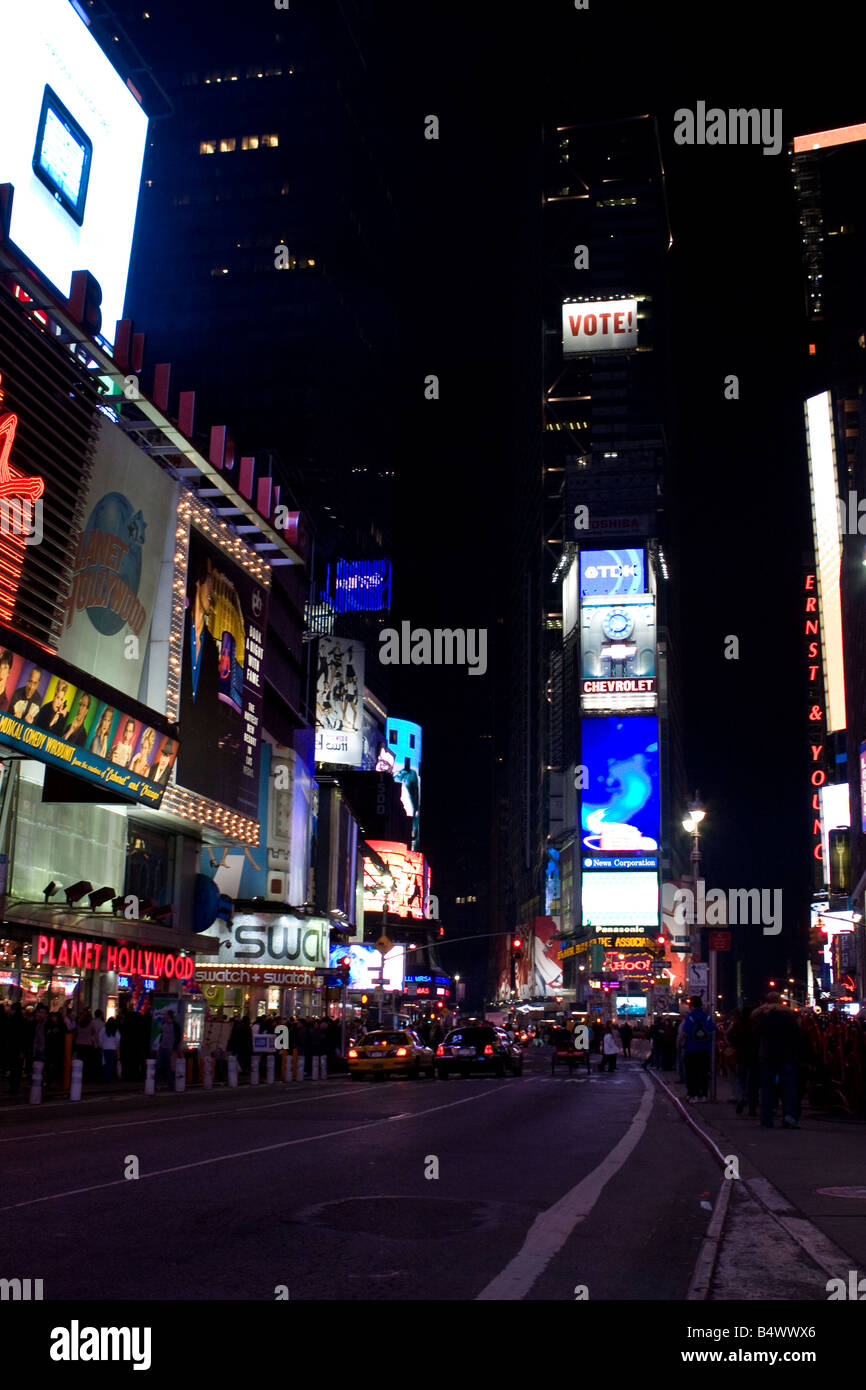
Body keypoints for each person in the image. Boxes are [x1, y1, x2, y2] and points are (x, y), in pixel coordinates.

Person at [177, 552, 224, 802]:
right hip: (172, 752)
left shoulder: (212, 649)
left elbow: (211, 714)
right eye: (210, 583)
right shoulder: (176, 628)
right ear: (197, 581)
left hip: (197, 769)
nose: (212, 592)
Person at [751, 991, 802, 1128]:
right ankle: (789, 1117)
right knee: (789, 1089)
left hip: (767, 1056)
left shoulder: (762, 1017)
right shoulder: (789, 1016)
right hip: (787, 1056)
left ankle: (767, 1119)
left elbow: (755, 1034)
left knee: (767, 1089)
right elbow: (797, 1036)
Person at [681, 996, 716, 1102]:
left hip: (691, 1049)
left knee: (691, 1072)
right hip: (705, 1049)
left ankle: (693, 1094)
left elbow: (684, 1032)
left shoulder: (690, 1016)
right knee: (703, 1072)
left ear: (691, 1005)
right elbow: (712, 1030)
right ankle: (703, 1094)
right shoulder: (707, 1016)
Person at [155, 1009, 180, 1088]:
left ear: (169, 1016)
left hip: (170, 1048)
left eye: (165, 1014)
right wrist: (160, 1043)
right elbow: (162, 1034)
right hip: (162, 1047)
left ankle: (171, 1083)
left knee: (170, 1066)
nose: (164, 1016)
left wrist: (174, 1048)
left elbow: (178, 1037)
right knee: (158, 1065)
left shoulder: (175, 1025)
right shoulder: (164, 1023)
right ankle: (154, 1082)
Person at [99, 1016, 120, 1083]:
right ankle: (109, 1078)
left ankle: (104, 1078)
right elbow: (117, 1040)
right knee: (110, 1064)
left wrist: (102, 1045)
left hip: (105, 1048)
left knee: (104, 1064)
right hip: (112, 1049)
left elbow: (100, 1038)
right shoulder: (115, 1031)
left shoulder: (103, 1030)